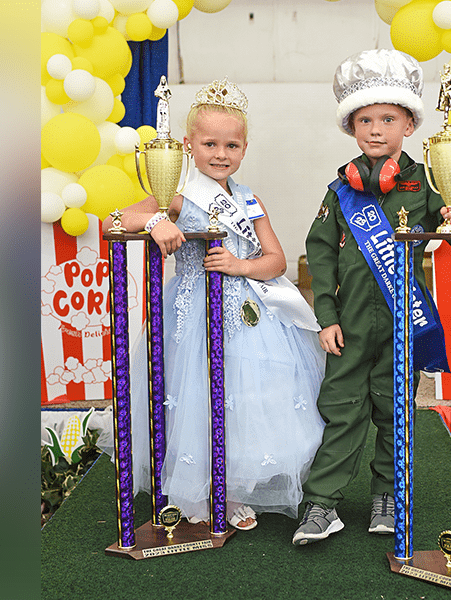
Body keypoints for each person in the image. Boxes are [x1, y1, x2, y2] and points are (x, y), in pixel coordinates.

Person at [110, 79, 326, 531]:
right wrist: (154, 221)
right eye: (210, 144)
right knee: (195, 396)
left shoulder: (249, 200)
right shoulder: (178, 193)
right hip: (192, 314)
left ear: (245, 148)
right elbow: (119, 218)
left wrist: (239, 266)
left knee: (245, 399)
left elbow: (276, 260)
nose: (221, 154)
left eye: (232, 145)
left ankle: (234, 489)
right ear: (189, 145)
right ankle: (197, 489)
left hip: (250, 316)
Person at [293, 49, 451, 545]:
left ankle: (388, 498)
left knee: (395, 412)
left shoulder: (427, 183)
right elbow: (319, 254)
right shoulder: (340, 191)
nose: (376, 130)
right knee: (342, 410)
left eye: (388, 119)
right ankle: (322, 504)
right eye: (365, 120)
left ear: (409, 124)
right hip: (348, 326)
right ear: (351, 127)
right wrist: (326, 315)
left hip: (401, 323)